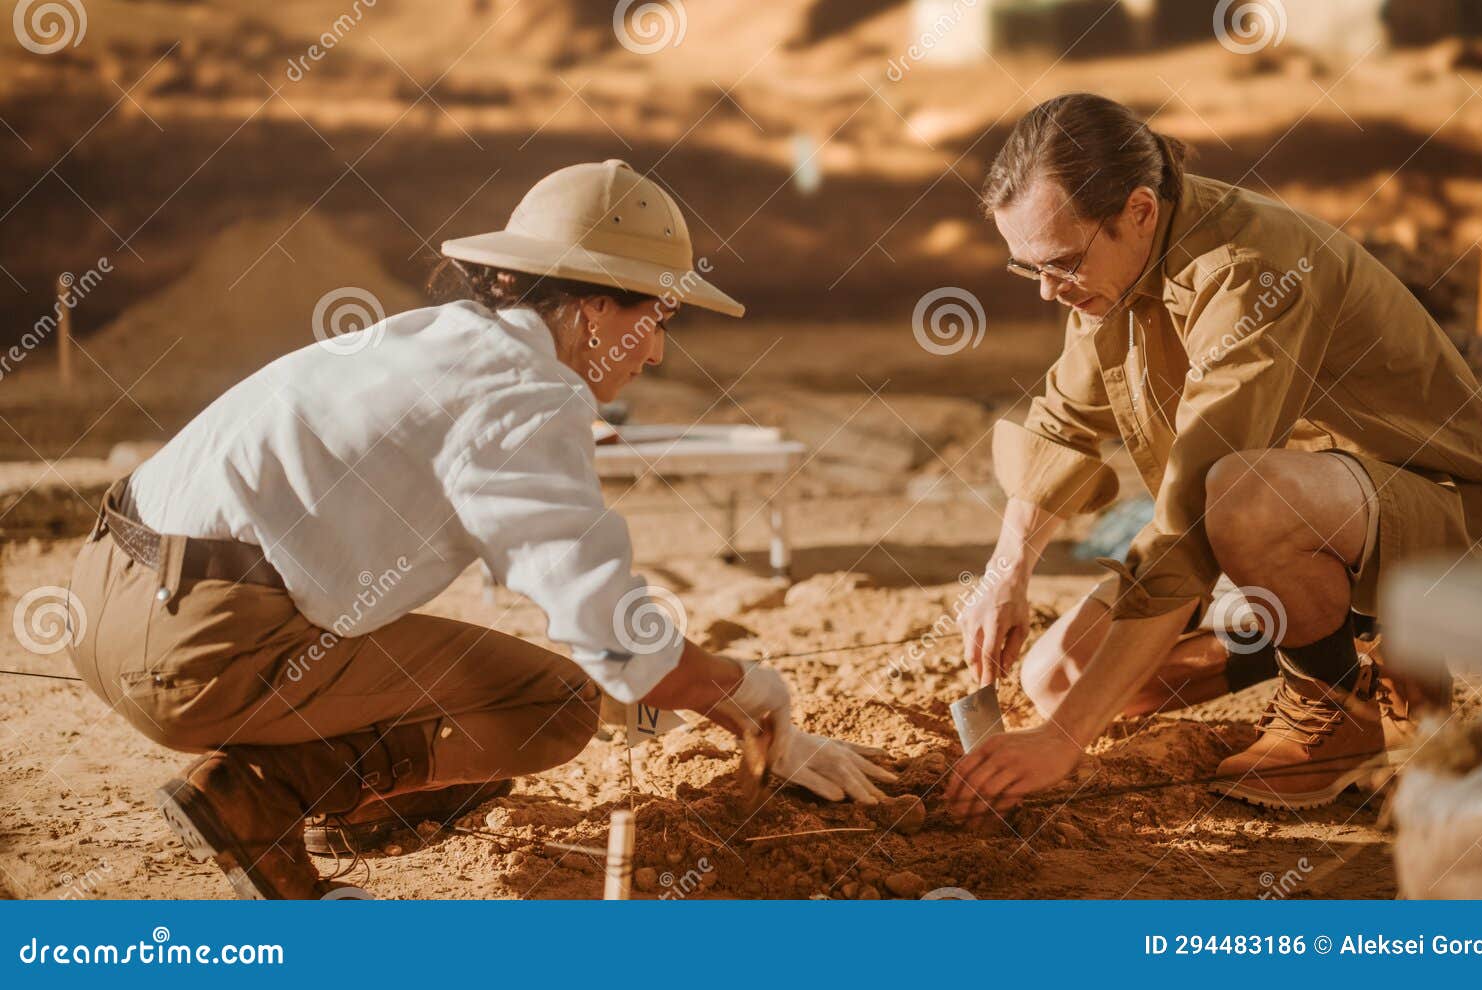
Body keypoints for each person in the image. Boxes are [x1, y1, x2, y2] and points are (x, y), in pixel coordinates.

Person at [67, 159, 893, 899]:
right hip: (192, 651)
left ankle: (356, 803)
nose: (656, 356)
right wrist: (752, 696)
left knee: (463, 676)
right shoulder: (526, 394)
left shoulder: (434, 340)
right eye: (659, 321)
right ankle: (259, 796)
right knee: (552, 705)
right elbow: (615, 640)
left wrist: (700, 696)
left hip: (103, 600)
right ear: (597, 309)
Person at [947, 94, 1482, 822]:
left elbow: (1190, 516)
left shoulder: (1248, 266)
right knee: (1058, 675)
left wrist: (1061, 742)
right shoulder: (1111, 274)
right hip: (1315, 523)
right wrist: (1007, 571)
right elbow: (1063, 420)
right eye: (1028, 269)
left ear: (1138, 210)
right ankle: (1355, 637)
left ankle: (1337, 709)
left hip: (1459, 510)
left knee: (1243, 494)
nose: (1050, 292)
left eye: (1060, 264)